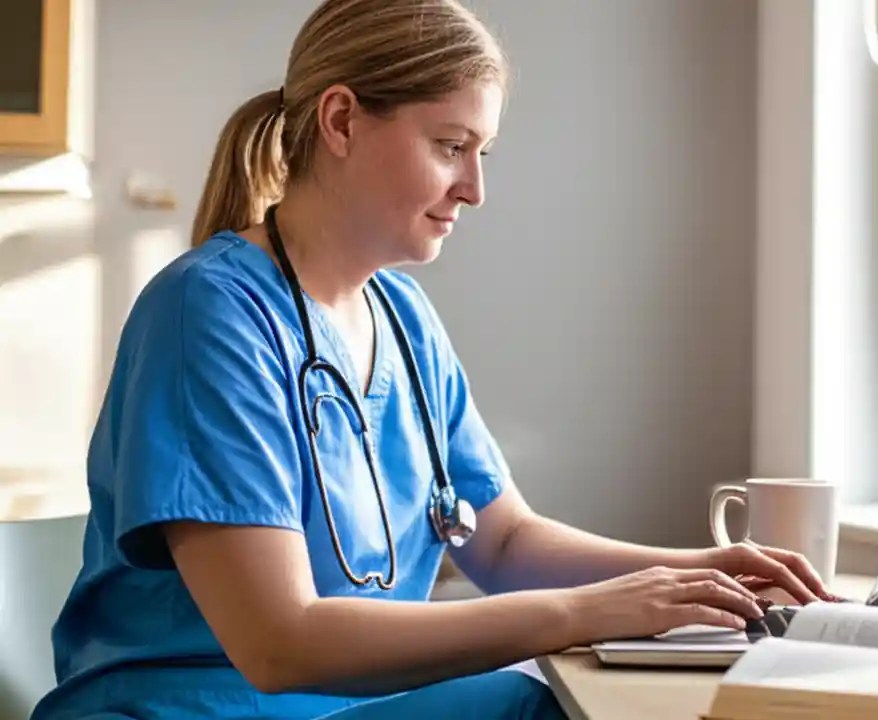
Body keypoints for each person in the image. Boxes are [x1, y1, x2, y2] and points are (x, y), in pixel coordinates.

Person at [31, 1, 835, 718]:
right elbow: (280, 645)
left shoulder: (403, 321)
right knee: (540, 704)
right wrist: (589, 612)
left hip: (338, 707)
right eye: (452, 145)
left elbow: (503, 543)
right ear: (341, 121)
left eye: (483, 151)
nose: (475, 188)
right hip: (186, 710)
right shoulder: (208, 314)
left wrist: (700, 574)